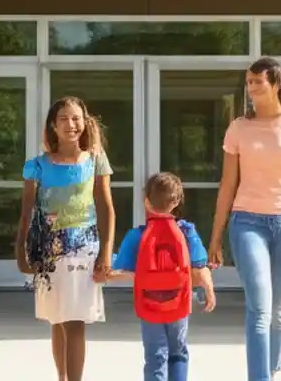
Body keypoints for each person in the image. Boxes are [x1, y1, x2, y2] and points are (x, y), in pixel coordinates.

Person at [207, 56, 281, 381]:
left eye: (258, 81)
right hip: (248, 223)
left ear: (277, 84)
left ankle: (271, 371)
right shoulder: (238, 128)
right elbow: (227, 185)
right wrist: (216, 237)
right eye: (249, 82)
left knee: (279, 311)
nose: (252, 87)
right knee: (260, 308)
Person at [16, 96, 116, 381]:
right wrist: (21, 251)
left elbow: (107, 208)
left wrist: (106, 253)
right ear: (53, 125)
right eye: (63, 119)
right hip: (49, 252)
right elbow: (26, 212)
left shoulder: (96, 161)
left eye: (76, 118)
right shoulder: (36, 165)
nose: (71, 124)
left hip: (84, 249)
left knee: (75, 321)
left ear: (84, 123)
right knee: (57, 319)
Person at [110, 172, 217, 381]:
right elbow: (200, 268)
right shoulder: (186, 232)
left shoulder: (137, 236)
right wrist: (209, 291)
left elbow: (121, 271)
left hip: (149, 306)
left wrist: (99, 271)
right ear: (176, 202)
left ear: (146, 201)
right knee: (177, 353)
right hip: (178, 305)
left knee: (155, 355)